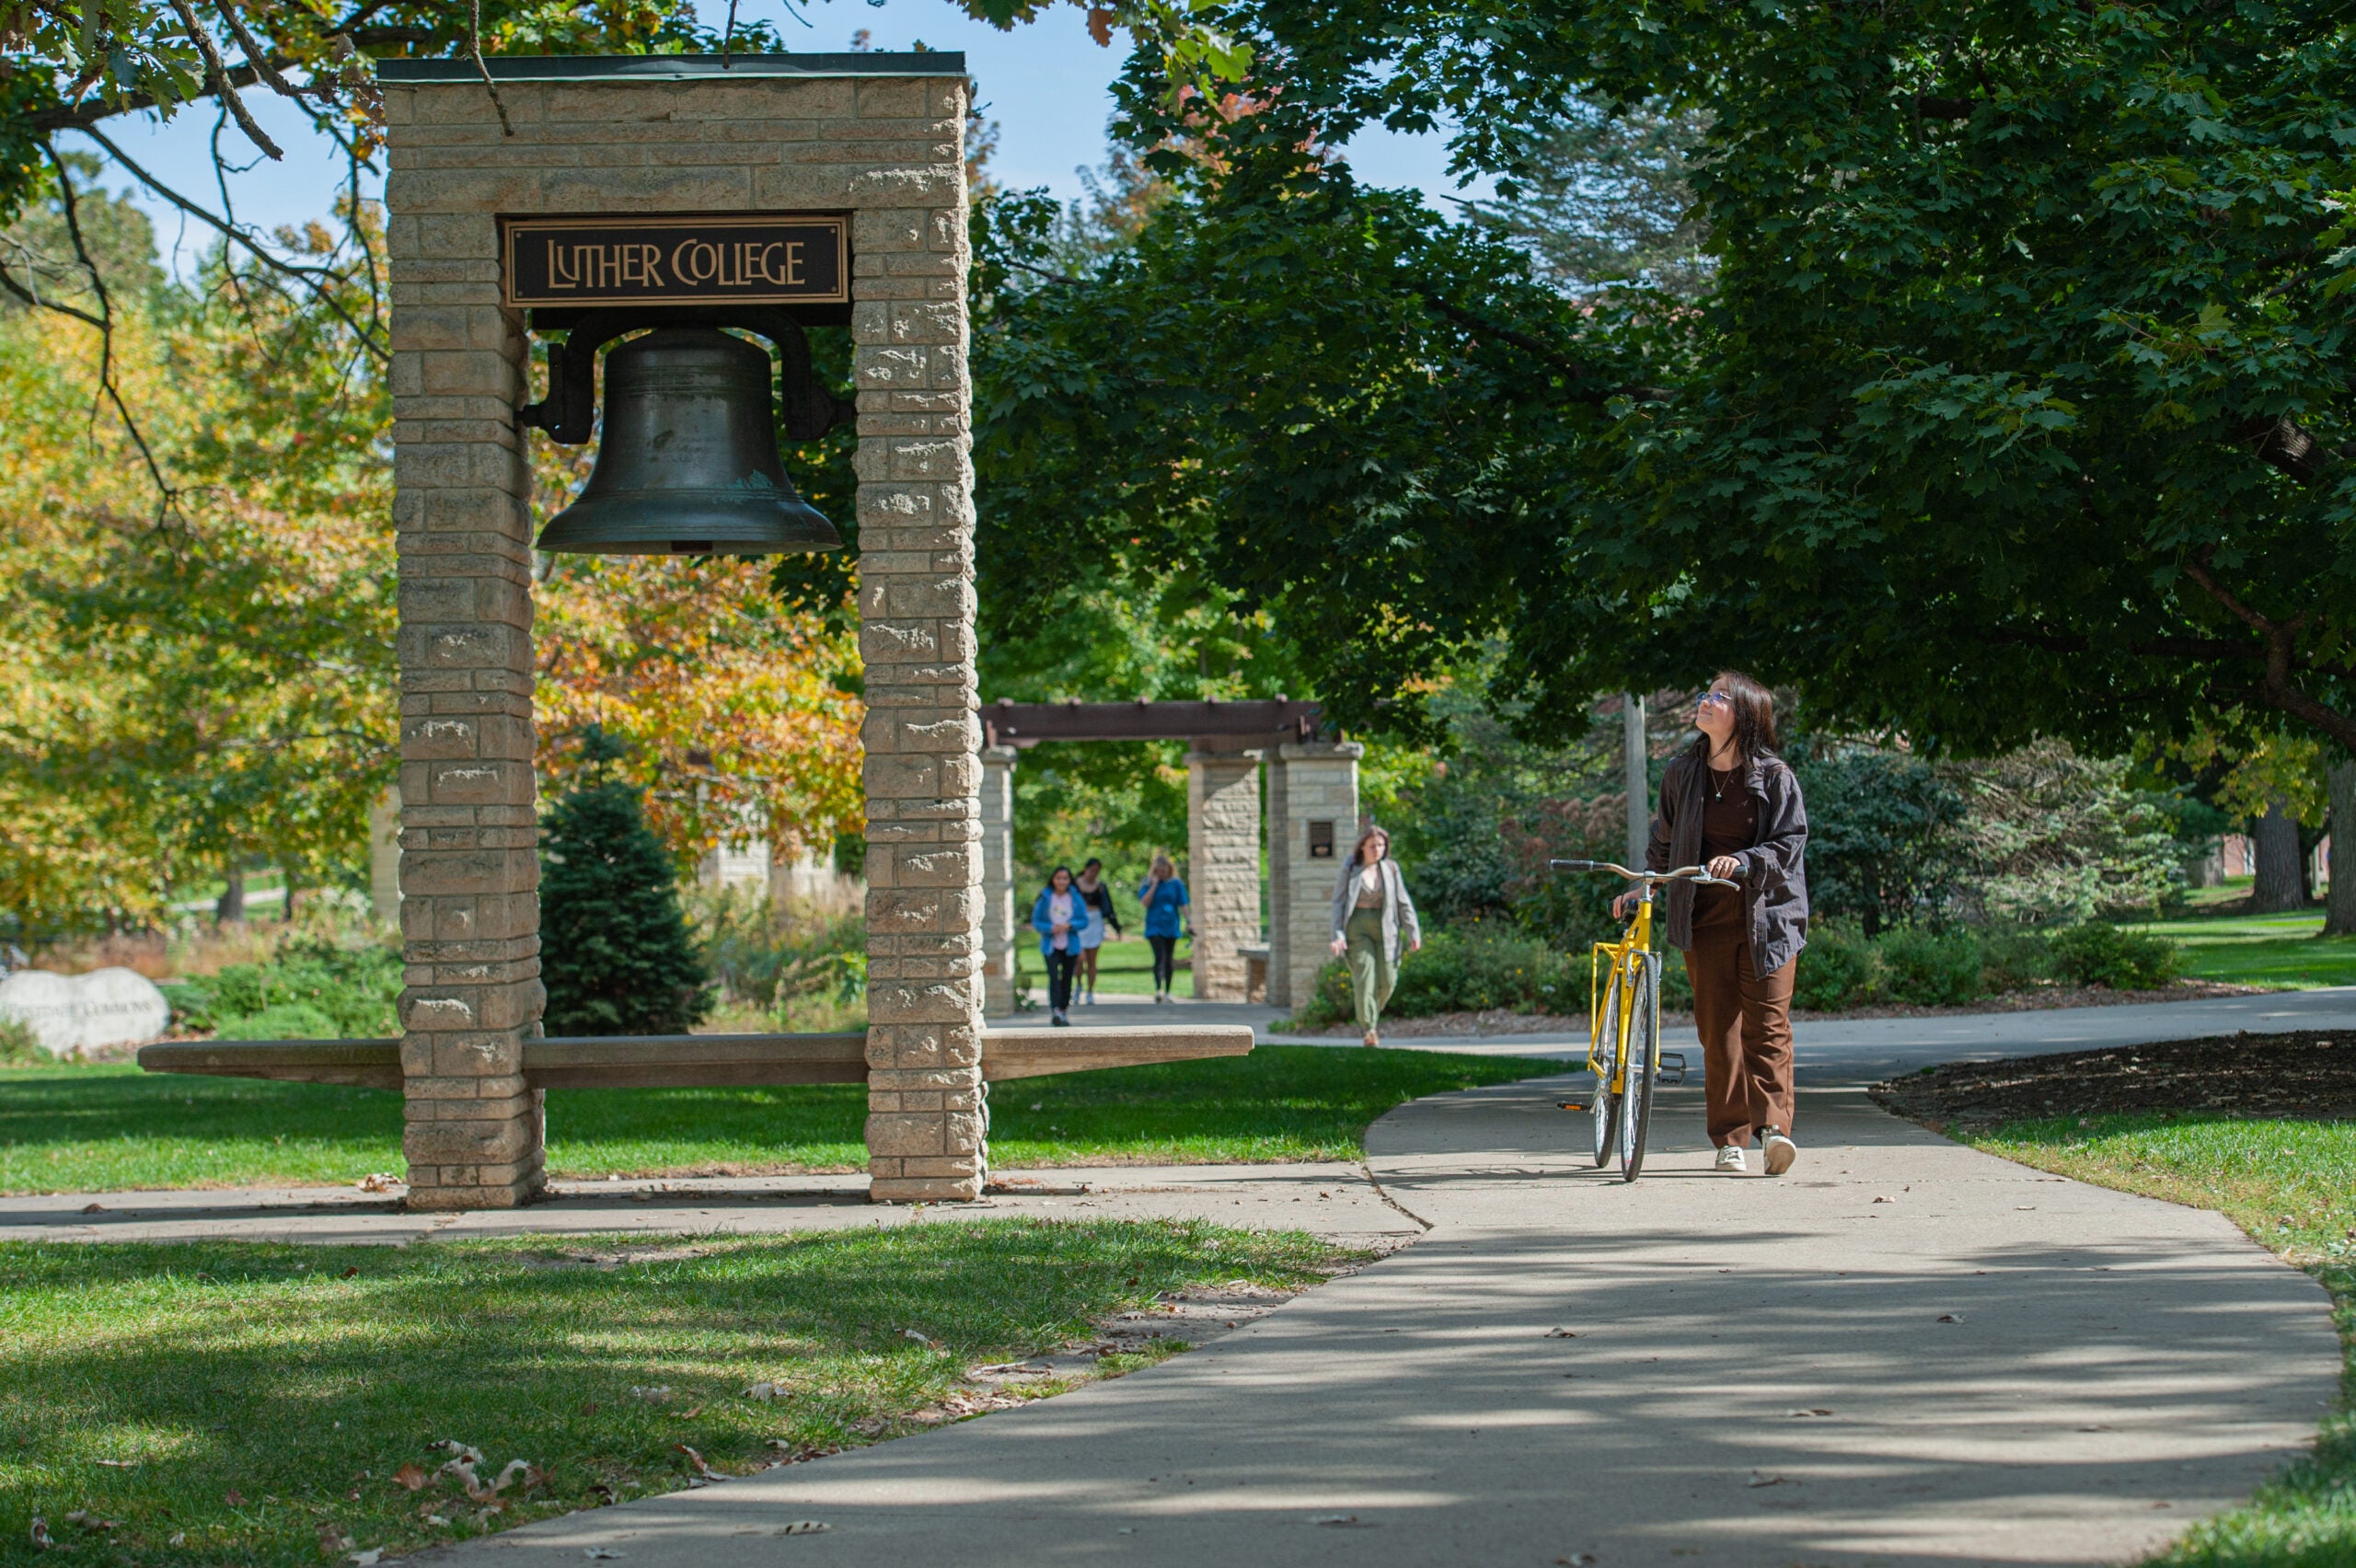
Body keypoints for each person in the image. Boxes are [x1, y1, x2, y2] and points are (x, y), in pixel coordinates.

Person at [1619, 670, 1810, 1176]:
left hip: (1767, 916)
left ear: (1744, 714)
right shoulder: (1683, 772)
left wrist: (1746, 861)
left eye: (1720, 696)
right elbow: (1664, 841)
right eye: (1706, 692)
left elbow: (1790, 841)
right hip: (1703, 916)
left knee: (1768, 1027)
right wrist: (1648, 884)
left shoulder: (1774, 776)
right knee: (1717, 1032)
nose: (1706, 700)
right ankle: (1730, 1140)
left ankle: (1774, 1133)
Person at [1328, 825, 1421, 1047]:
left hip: (1386, 927)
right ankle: (1368, 1030)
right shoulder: (1351, 868)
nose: (1377, 850)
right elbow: (1338, 902)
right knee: (1364, 978)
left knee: (1388, 981)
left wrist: (1413, 932)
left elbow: (1403, 902)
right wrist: (1337, 934)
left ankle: (1368, 1015)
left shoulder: (1390, 868)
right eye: (1372, 846)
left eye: (1381, 845)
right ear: (1362, 847)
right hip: (1357, 928)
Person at [1030, 866, 1092, 1026]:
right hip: (1051, 945)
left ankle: (1063, 1009)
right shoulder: (1045, 897)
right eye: (1058, 878)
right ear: (1053, 879)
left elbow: (1084, 920)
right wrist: (1051, 928)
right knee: (1053, 978)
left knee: (1066, 979)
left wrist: (1069, 926)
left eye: (1065, 878)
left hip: (1070, 945)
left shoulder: (1075, 897)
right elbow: (1037, 921)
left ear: (1069, 880)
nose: (1061, 881)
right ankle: (1055, 1010)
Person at [1136, 853, 1190, 1003]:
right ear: (1154, 871)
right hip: (1154, 925)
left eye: (1164, 871)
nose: (1162, 874)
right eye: (1159, 871)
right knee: (1159, 956)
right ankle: (1158, 989)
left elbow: (1183, 903)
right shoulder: (1147, 884)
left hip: (1171, 925)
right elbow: (1145, 902)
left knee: (1169, 959)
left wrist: (1189, 921)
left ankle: (1168, 991)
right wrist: (1154, 884)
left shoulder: (1176, 884)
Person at [1073, 858, 1122, 1005]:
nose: (1094, 873)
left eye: (1097, 871)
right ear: (1086, 868)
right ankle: (1078, 985)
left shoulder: (1100, 886)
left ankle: (1090, 991)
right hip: (1080, 922)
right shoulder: (1075, 884)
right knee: (1079, 959)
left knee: (1092, 960)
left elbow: (1108, 908)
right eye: (1092, 870)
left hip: (1095, 922)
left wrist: (1116, 927)